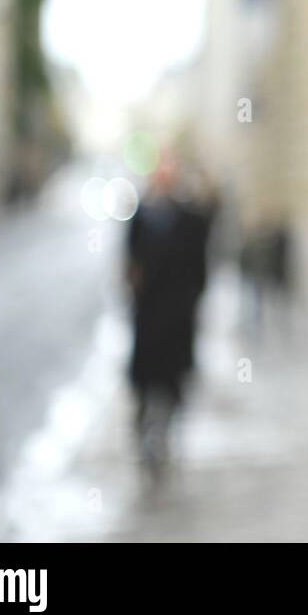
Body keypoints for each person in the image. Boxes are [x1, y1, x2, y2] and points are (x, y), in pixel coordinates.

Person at [124, 153, 213, 484]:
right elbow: (130, 262)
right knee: (147, 374)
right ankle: (146, 423)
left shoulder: (191, 217)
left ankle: (167, 426)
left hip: (178, 312)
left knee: (173, 375)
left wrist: (192, 299)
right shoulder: (142, 216)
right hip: (148, 312)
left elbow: (201, 265)